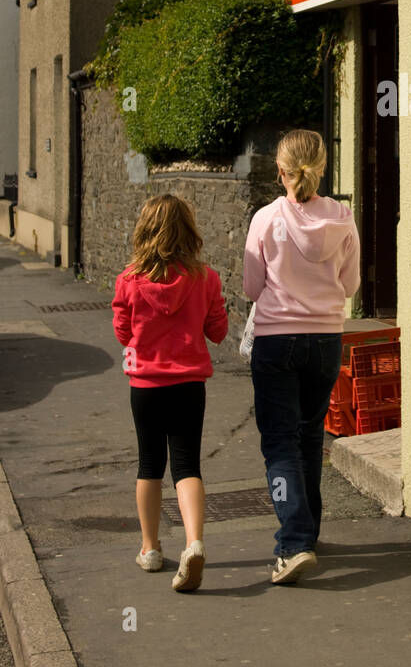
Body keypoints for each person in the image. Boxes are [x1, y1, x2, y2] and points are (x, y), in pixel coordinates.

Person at [243, 129, 360, 586]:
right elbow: (350, 286)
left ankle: (293, 542)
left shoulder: (266, 219)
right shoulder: (343, 218)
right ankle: (308, 530)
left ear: (280, 170)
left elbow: (252, 289)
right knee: (310, 435)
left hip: (277, 339)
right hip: (326, 338)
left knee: (279, 442)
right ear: (323, 167)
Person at [112, 194, 228, 593]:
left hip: (145, 385)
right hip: (188, 385)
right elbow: (218, 331)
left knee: (149, 464)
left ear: (145, 231)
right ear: (188, 232)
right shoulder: (205, 278)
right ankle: (194, 542)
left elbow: (123, 333)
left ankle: (149, 548)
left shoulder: (128, 280)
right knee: (187, 465)